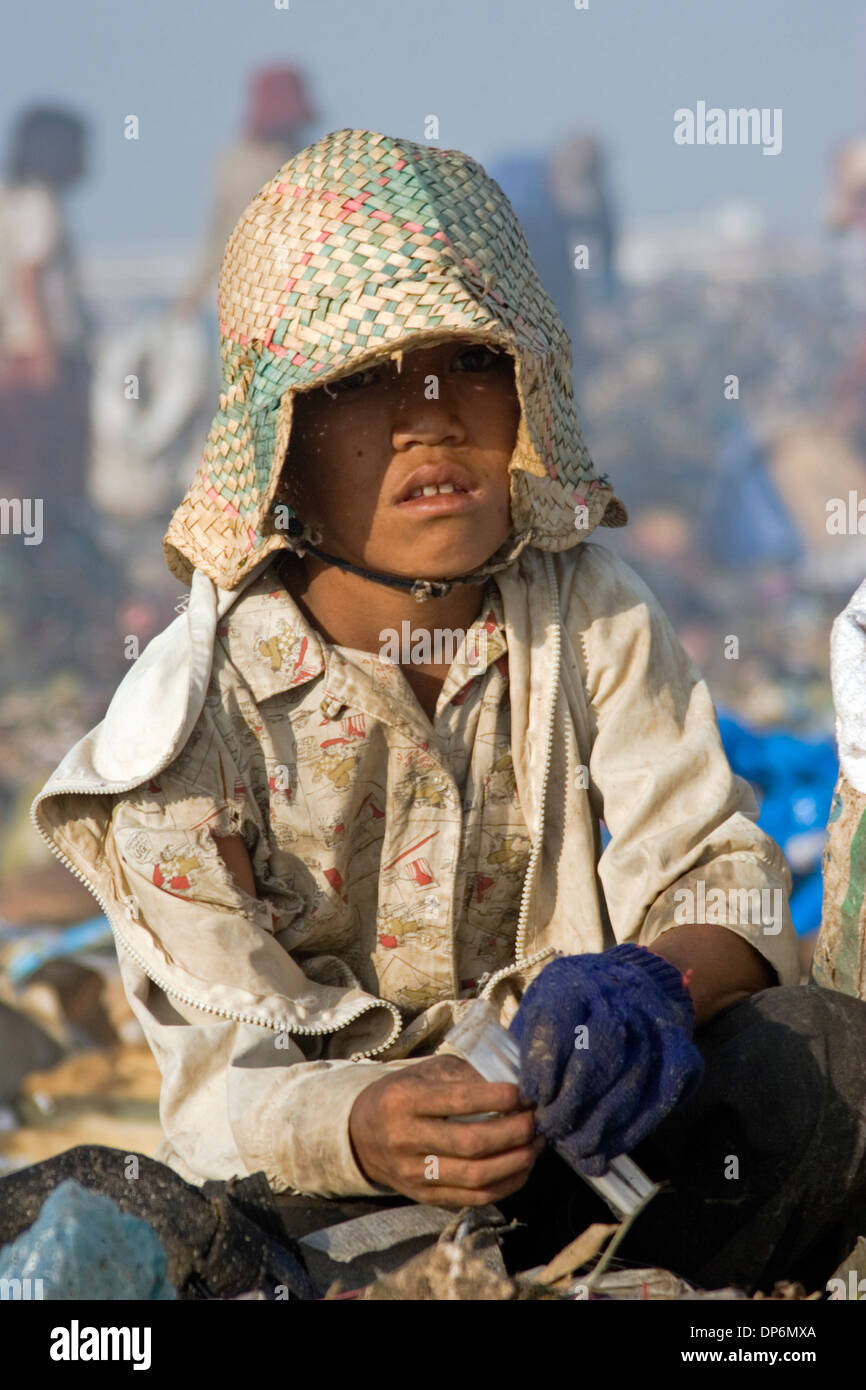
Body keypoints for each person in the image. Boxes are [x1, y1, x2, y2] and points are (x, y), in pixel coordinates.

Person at [30, 128, 866, 1292]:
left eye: (466, 362)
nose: (431, 417)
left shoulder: (585, 611)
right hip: (325, 1208)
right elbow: (224, 1083)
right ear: (282, 443)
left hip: (584, 1138)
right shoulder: (186, 724)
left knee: (822, 1060)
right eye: (366, 380)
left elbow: (715, 868)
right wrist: (367, 1118)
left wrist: (649, 988)